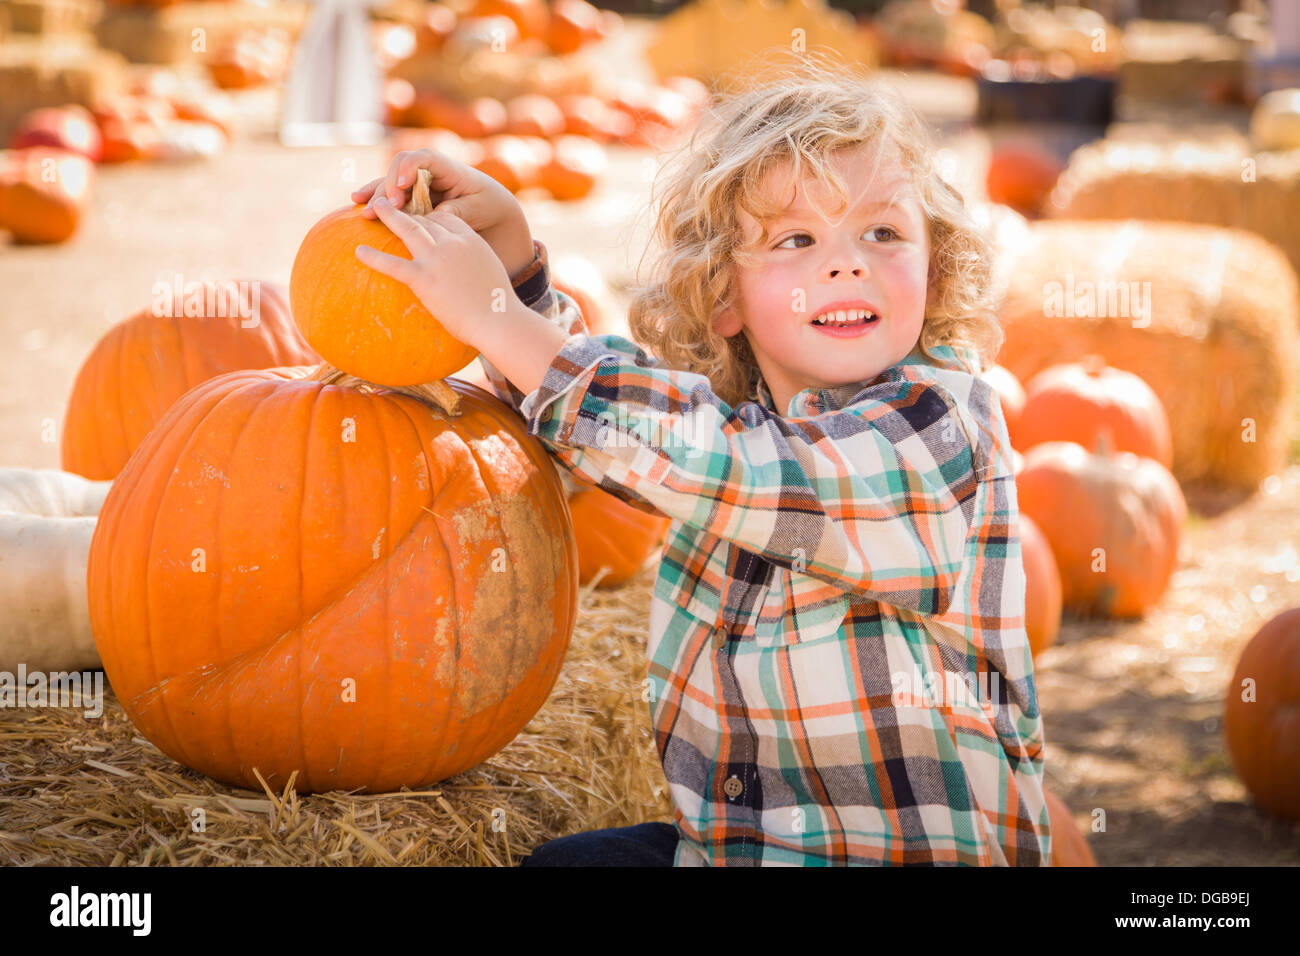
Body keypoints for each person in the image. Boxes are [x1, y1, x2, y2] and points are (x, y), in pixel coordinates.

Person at [349, 55, 1050, 866]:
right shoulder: (734, 421)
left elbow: (728, 464)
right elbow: (621, 435)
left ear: (933, 265)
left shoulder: (941, 429)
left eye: (884, 232)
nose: (848, 260)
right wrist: (513, 266)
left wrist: (497, 318)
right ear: (722, 296)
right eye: (798, 238)